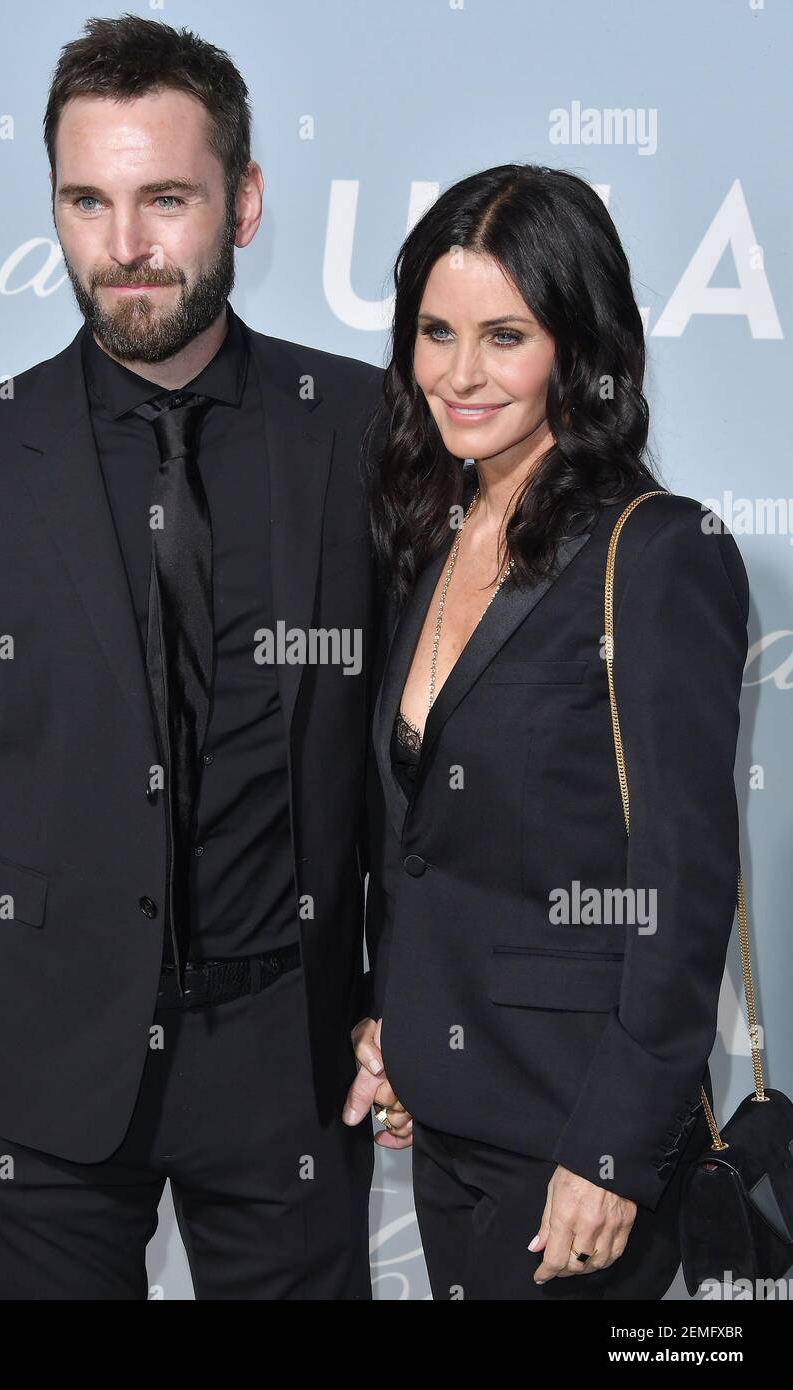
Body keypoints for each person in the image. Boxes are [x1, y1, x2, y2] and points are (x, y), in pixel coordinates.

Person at [0, 15, 386, 1300]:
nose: (125, 247)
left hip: (289, 1060)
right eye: (86, 201)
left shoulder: (364, 429)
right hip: (32, 1059)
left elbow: (411, 762)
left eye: (165, 199)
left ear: (244, 201)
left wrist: (409, 1010)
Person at [345, 164, 749, 1300]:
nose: (458, 374)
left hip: (576, 1137)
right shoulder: (429, 540)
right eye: (434, 331)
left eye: (504, 335)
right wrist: (396, 1021)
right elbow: (420, 842)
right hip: (447, 1123)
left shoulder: (658, 552)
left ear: (578, 349)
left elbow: (683, 882)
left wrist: (612, 1150)